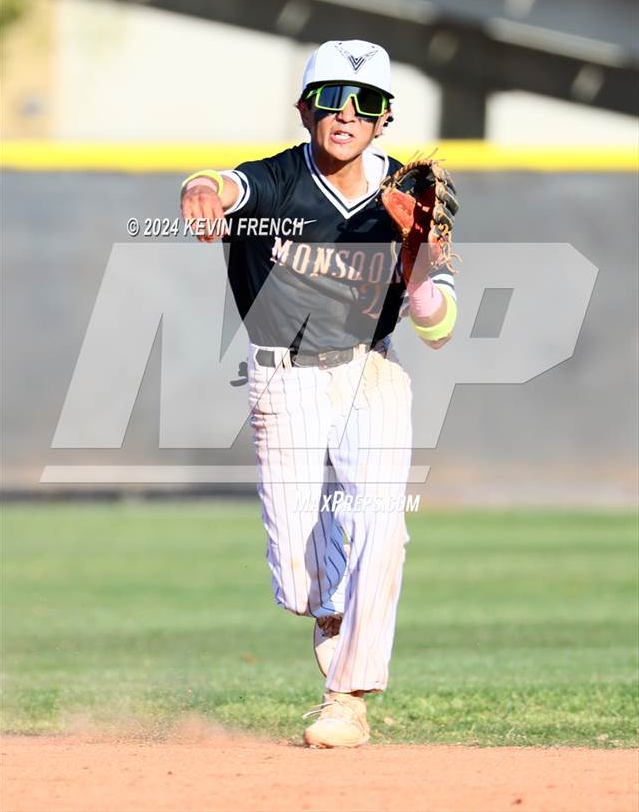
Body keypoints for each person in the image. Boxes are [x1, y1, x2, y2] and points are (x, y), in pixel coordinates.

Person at [180, 40, 458, 748]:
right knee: (303, 584)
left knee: (380, 525)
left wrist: (417, 254)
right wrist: (202, 186)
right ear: (305, 109)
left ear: (384, 117)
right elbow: (227, 185)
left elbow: (439, 326)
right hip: (284, 376)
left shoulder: (408, 194)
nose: (346, 113)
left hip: (371, 371)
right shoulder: (275, 181)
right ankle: (337, 610)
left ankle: (349, 699)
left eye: (365, 102)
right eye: (331, 97)